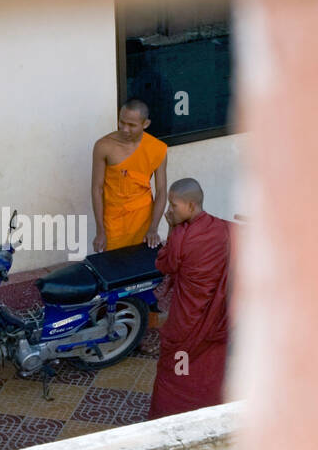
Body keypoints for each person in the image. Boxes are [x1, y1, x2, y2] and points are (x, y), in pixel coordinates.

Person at [148, 178, 232, 419]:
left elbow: (164, 263)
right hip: (214, 316)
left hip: (186, 320)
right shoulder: (223, 228)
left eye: (173, 206)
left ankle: (168, 416)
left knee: (173, 368)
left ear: (191, 206)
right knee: (207, 367)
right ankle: (205, 416)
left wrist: (171, 228)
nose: (168, 211)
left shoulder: (181, 235)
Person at [91, 99, 168, 252]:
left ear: (145, 124)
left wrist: (153, 228)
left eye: (132, 125)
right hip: (114, 221)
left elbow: (161, 191)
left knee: (141, 266)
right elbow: (96, 189)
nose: (125, 129)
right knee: (113, 267)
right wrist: (100, 230)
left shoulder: (158, 148)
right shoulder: (104, 146)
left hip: (143, 218)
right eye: (122, 122)